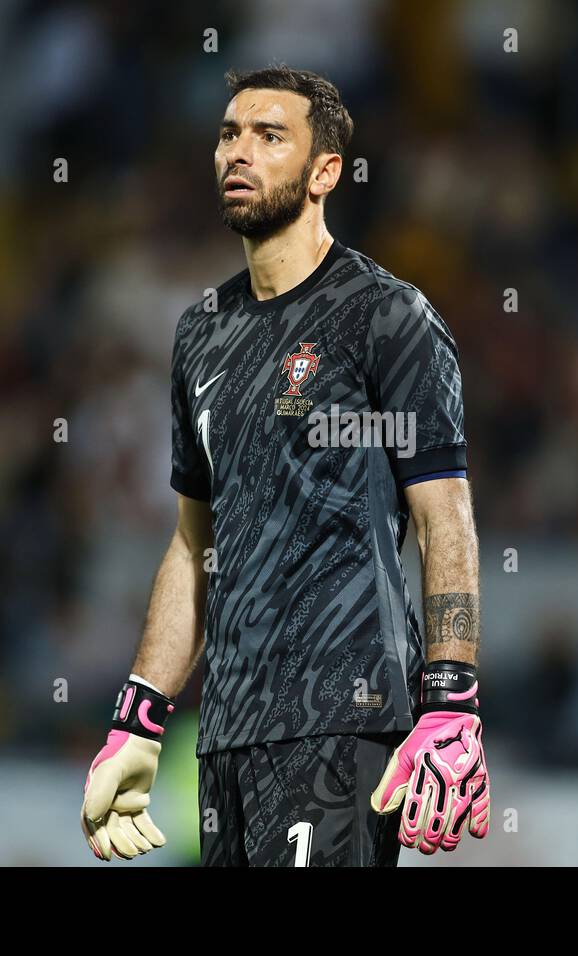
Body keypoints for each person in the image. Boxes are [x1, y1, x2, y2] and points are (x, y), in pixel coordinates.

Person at [79, 65, 489, 866]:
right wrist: (138, 716)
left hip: (345, 718)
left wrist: (453, 700)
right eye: (231, 133)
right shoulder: (200, 333)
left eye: (271, 137)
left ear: (324, 171)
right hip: (228, 733)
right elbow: (193, 545)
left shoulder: (387, 317)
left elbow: (447, 519)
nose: (241, 152)